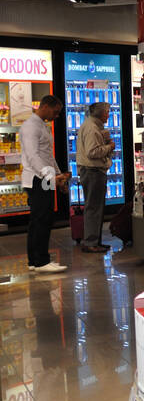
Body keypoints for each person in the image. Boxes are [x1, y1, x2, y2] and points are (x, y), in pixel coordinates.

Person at [20, 95, 70, 273]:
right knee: (41, 219)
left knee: (41, 219)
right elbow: (33, 156)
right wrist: (48, 176)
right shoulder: (31, 126)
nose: (56, 116)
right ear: (46, 106)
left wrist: (58, 175)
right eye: (55, 112)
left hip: (45, 176)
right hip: (37, 178)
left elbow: (48, 154)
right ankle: (41, 261)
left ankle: (35, 261)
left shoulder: (43, 125)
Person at [76, 102, 115, 253]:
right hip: (93, 172)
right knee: (94, 208)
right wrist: (109, 147)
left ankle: (94, 240)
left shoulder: (91, 125)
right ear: (100, 114)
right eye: (107, 112)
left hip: (90, 171)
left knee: (94, 207)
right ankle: (91, 242)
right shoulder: (92, 128)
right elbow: (92, 152)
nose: (109, 115)